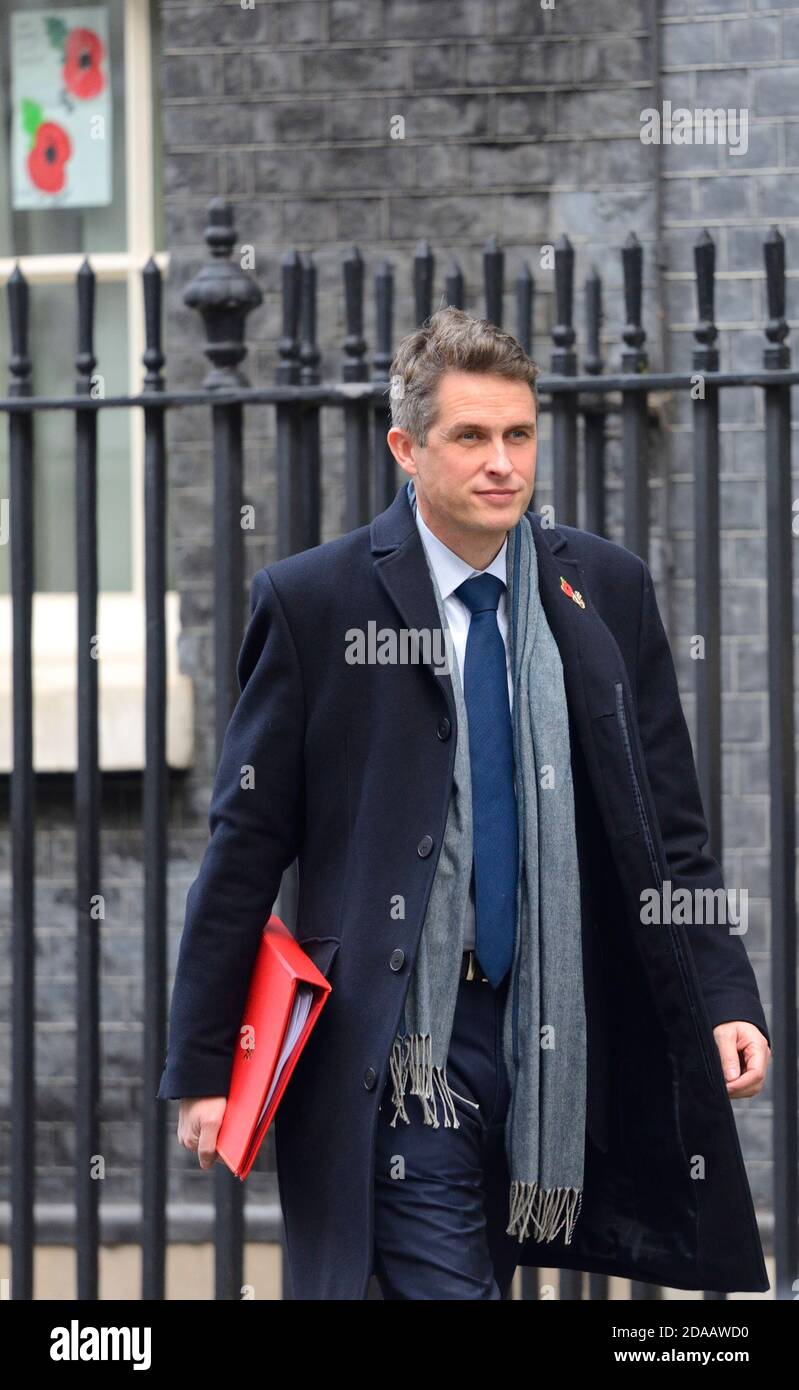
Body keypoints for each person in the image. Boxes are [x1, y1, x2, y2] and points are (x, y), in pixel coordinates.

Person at [158, 306, 772, 1300]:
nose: (502, 462)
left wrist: (724, 998)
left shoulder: (599, 590)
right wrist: (201, 1061)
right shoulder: (317, 602)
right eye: (471, 437)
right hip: (398, 1047)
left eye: (518, 435)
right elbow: (244, 845)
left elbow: (673, 831)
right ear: (406, 447)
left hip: (550, 1027)